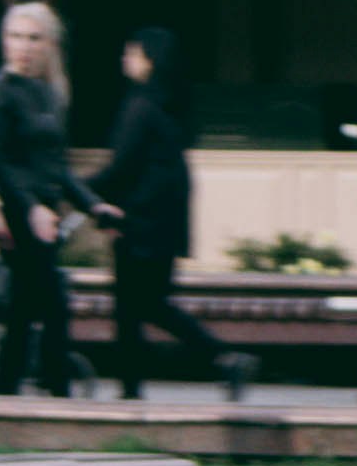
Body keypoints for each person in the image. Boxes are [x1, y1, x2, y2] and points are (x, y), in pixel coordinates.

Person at [96, 31, 248, 403]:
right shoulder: (169, 106)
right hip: (163, 224)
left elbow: (122, 168)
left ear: (149, 59)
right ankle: (217, 357)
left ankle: (212, 357)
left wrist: (76, 193)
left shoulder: (140, 107)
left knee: (134, 307)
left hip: (139, 223)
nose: (125, 59)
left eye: (132, 52)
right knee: (149, 303)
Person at [0, 0, 89, 396]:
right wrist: (30, 208)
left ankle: (8, 388)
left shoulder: (46, 93)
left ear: (48, 45)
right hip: (15, 213)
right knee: (52, 304)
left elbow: (56, 164)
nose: (22, 46)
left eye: (32, 38)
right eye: (15, 36)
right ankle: (56, 391)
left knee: (25, 308)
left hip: (43, 213)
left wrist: (92, 204)